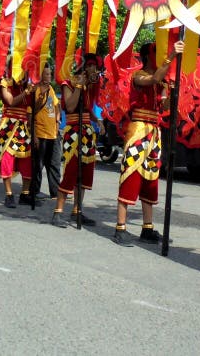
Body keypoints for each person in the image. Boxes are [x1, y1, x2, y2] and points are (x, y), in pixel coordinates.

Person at [113, 40, 185, 246]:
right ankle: (120, 227)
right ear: (147, 56)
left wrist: (172, 94)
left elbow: (165, 106)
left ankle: (147, 228)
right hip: (138, 131)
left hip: (153, 132)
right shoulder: (138, 75)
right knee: (131, 175)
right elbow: (153, 78)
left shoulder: (161, 82)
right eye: (156, 52)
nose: (159, 56)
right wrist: (171, 57)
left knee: (151, 180)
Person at [54, 53, 102, 228]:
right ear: (83, 67)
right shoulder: (68, 83)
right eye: (90, 65)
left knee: (86, 173)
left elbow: (87, 108)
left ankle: (77, 210)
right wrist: (79, 86)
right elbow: (71, 106)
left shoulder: (90, 86)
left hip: (87, 132)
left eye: (94, 66)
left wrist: (98, 121)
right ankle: (58, 211)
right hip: (73, 131)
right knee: (71, 171)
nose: (93, 69)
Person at [0, 64, 34, 208]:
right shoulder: (5, 83)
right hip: (9, 126)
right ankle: (9, 194)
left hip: (23, 127)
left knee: (27, 161)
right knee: (7, 160)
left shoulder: (27, 85)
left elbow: (31, 109)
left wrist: (38, 94)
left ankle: (25, 194)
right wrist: (26, 92)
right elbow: (11, 101)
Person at [32, 65, 60, 200]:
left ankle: (55, 192)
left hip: (53, 133)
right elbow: (33, 110)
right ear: (41, 76)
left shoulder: (51, 89)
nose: (49, 76)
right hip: (40, 132)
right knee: (38, 164)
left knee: (54, 163)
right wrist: (41, 96)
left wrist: (58, 120)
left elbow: (56, 105)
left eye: (50, 74)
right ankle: (34, 191)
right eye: (47, 74)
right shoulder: (36, 89)